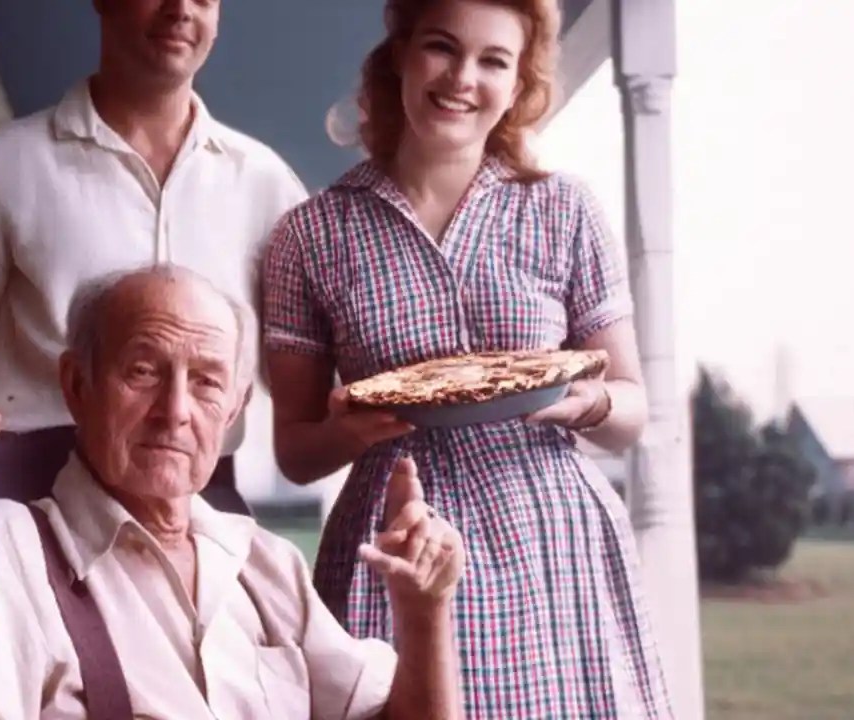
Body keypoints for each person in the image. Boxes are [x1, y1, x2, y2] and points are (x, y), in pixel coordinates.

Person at [262, 0, 673, 717]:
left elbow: (632, 405)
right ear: (400, 55)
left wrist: (590, 403)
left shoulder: (566, 211)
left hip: (552, 540)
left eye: (493, 60)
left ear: (518, 85)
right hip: (400, 534)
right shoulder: (311, 234)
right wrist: (351, 429)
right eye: (442, 48)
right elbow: (296, 451)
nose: (462, 78)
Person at [0, 266, 468, 719]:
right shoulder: (0, 553)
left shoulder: (263, 566)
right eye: (143, 371)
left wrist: (423, 613)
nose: (174, 412)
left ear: (234, 409)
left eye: (206, 382)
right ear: (77, 384)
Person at [0, 0, 306, 502]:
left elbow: (305, 375)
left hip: (200, 507)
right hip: (35, 501)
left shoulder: (266, 184)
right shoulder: (7, 163)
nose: (180, 10)